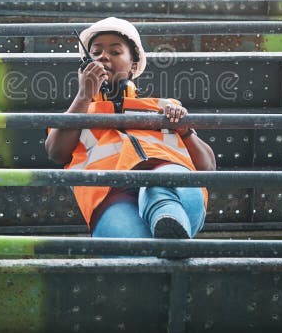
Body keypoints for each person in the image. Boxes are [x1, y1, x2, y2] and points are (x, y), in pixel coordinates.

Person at [45, 17, 216, 239]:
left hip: (176, 189)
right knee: (133, 251)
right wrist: (85, 94)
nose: (104, 56)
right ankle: (168, 244)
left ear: (133, 65)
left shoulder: (165, 107)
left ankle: (166, 216)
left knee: (159, 189)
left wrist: (185, 130)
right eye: (96, 53)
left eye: (115, 52)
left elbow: (208, 168)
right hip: (110, 196)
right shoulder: (75, 114)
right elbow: (56, 152)